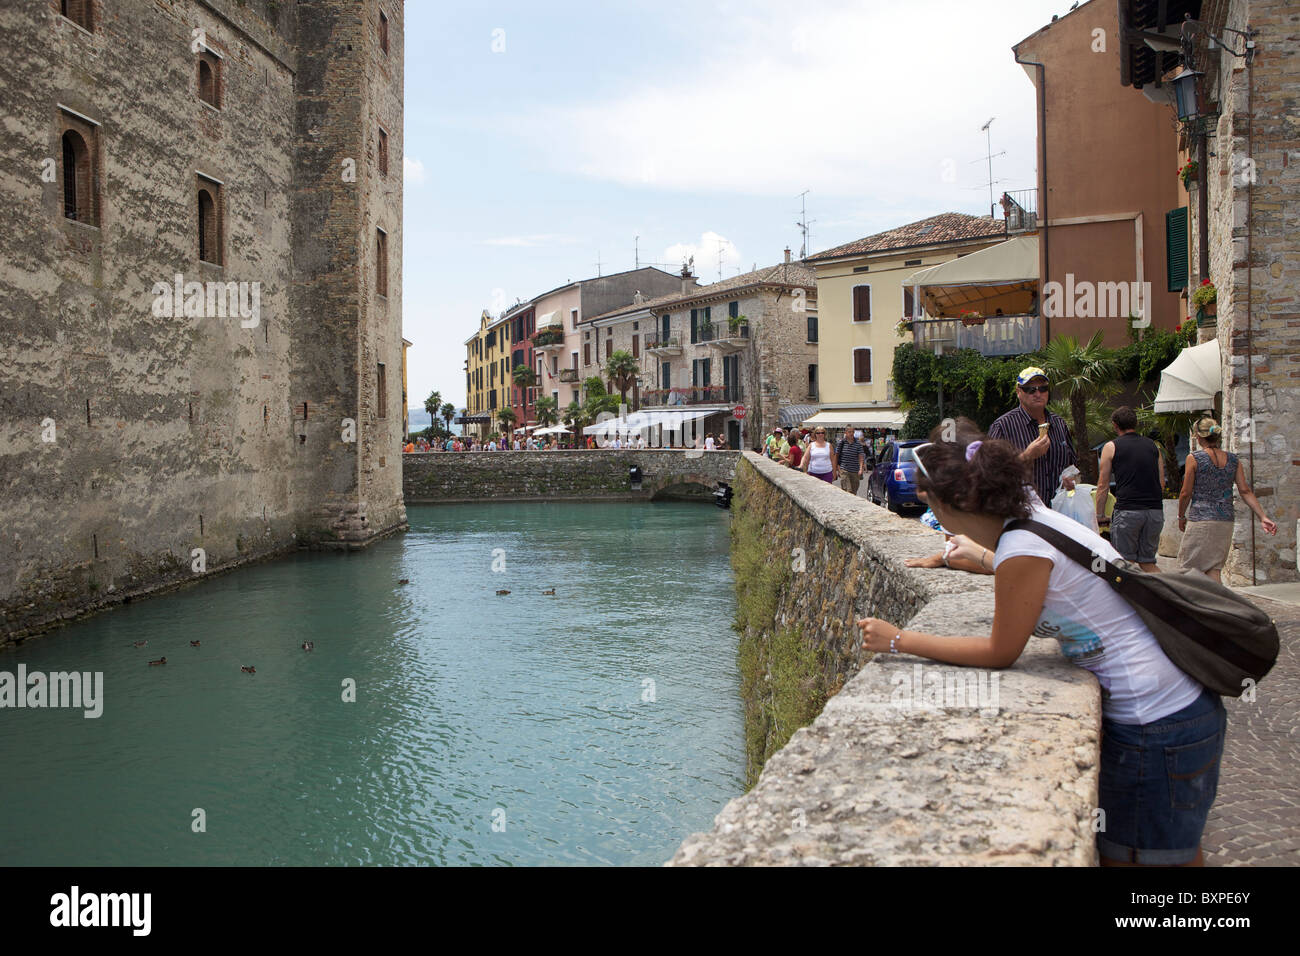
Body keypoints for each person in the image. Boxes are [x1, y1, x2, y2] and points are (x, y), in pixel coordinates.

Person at [858, 418, 1225, 867]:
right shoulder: (1029, 513)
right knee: (1174, 852)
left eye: (928, 500)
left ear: (954, 503)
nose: (927, 508)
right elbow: (1050, 573)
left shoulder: (1020, 549)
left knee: (1138, 858)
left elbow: (1000, 651)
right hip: (1181, 707)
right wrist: (981, 558)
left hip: (1155, 722)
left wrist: (900, 639)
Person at [1177, 417, 1277, 582]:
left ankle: (1191, 607)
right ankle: (1217, 606)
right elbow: (1245, 490)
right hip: (1225, 521)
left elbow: (1185, 492)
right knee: (1213, 569)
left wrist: (1181, 516)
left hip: (1201, 520)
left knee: (1187, 569)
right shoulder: (1233, 460)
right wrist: (1263, 516)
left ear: (1199, 436)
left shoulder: (1194, 458)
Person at [988, 366, 1077, 502]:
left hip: (1058, 511)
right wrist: (1027, 456)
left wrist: (1072, 481)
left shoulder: (1059, 424)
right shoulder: (1003, 426)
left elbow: (1072, 466)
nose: (1037, 394)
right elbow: (989, 472)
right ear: (1019, 392)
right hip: (1022, 512)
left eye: (1043, 389)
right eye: (1030, 390)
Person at [1096, 406, 1165, 572]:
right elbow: (1161, 482)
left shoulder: (1111, 447)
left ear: (1115, 425)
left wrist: (1099, 514)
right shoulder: (1153, 446)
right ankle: (1167, 595)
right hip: (1155, 512)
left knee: (1124, 564)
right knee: (1148, 562)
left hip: (1128, 511)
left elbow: (1103, 484)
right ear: (1136, 423)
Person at [834, 427, 866, 495]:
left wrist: (861, 468)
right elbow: (836, 455)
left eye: (852, 432)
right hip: (844, 470)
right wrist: (837, 469)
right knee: (847, 491)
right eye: (849, 432)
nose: (851, 434)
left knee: (854, 492)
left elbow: (861, 456)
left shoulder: (858, 443)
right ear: (845, 433)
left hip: (855, 471)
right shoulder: (842, 443)